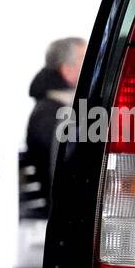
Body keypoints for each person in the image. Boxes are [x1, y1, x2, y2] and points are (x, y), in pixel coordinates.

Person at [20, 36, 84, 218]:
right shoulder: (50, 114)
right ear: (67, 71)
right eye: (85, 61)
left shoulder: (58, 109)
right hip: (67, 214)